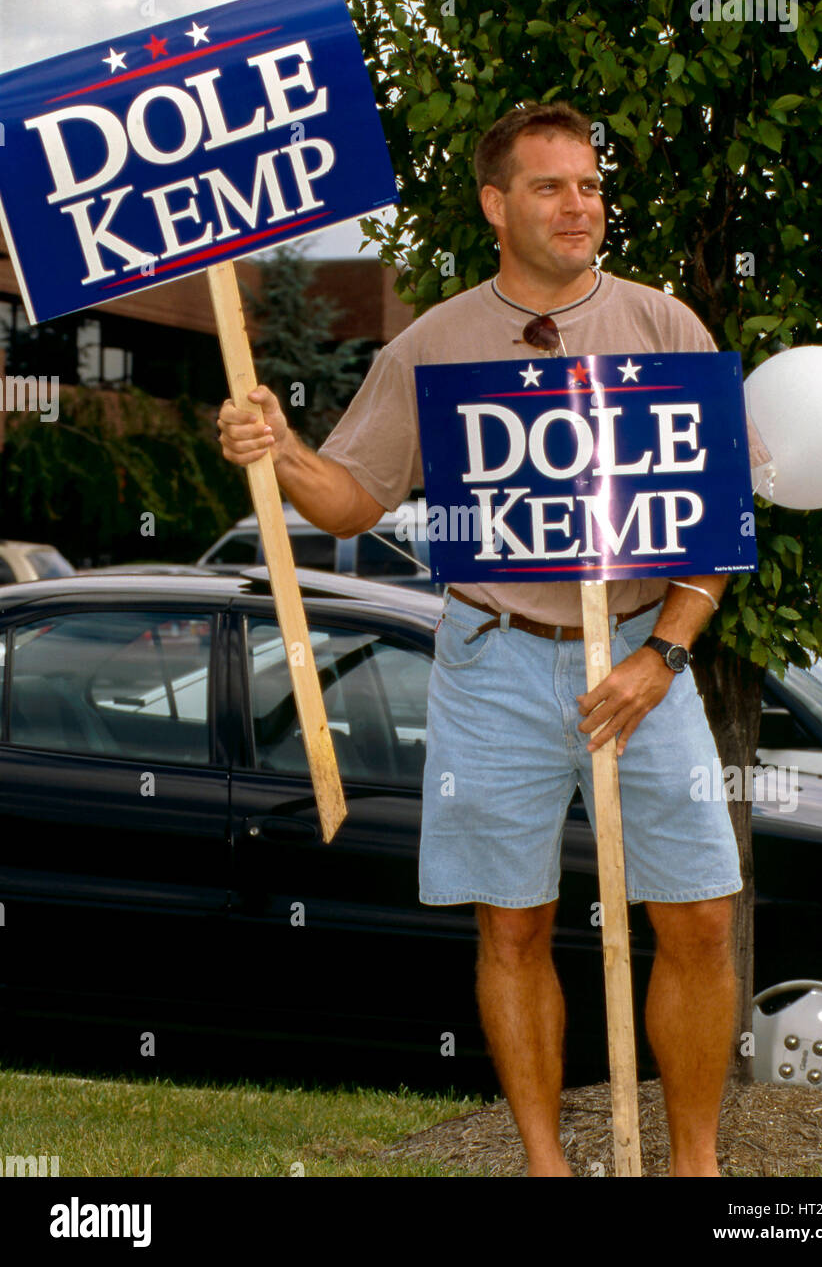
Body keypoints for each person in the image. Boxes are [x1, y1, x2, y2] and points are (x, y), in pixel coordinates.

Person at [217, 102, 770, 1178]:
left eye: (591, 185)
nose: (580, 205)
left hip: (642, 663)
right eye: (552, 186)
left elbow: (721, 515)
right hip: (492, 657)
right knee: (512, 926)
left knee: (701, 915)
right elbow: (351, 500)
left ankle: (695, 1166)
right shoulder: (431, 344)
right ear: (494, 203)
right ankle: (544, 1163)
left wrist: (666, 652)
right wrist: (278, 447)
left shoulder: (667, 328)